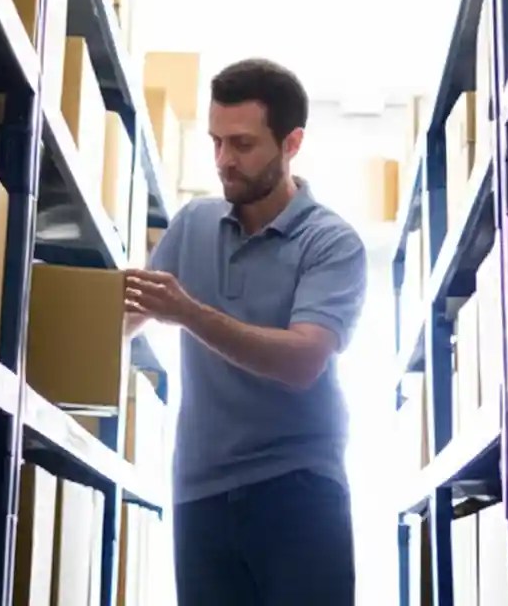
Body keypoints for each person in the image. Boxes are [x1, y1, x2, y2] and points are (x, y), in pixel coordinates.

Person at [123, 58, 367, 605]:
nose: (223, 162)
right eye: (215, 142)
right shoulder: (194, 224)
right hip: (200, 493)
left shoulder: (331, 242)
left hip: (298, 489)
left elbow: (304, 360)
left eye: (242, 144)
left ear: (292, 143)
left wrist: (191, 313)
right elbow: (124, 318)